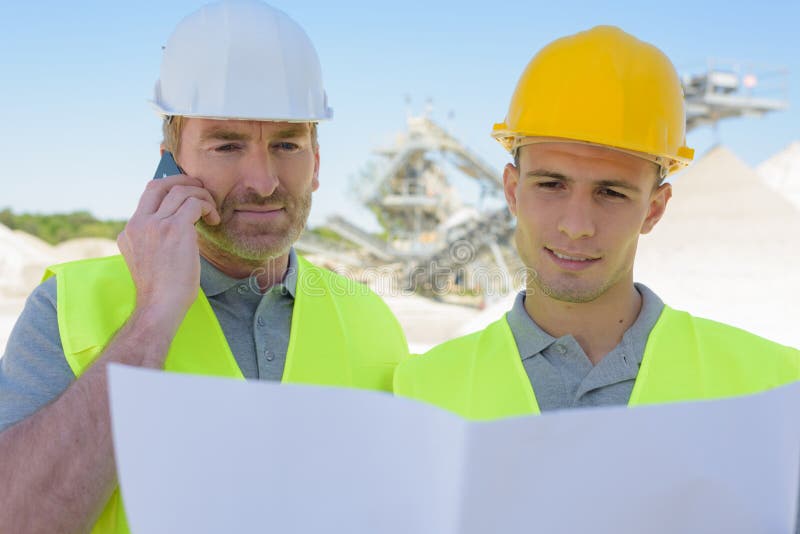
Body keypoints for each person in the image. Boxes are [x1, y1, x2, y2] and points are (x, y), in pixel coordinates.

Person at [0, 1, 407, 532]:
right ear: (171, 162)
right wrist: (150, 322)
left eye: (287, 143)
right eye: (226, 144)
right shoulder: (66, 310)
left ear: (317, 164)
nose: (262, 181)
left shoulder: (373, 323)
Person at [395, 28, 799, 430]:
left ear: (654, 210)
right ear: (513, 191)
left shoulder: (774, 388)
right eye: (552, 185)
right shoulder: (419, 394)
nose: (576, 226)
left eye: (610, 193)